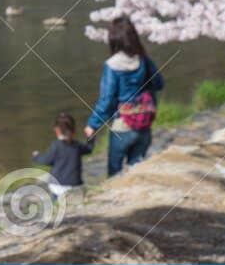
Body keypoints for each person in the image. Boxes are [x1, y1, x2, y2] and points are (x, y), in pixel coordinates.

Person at [84, 15, 165, 176]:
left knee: (114, 171)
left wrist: (92, 125)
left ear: (113, 39)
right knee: (136, 168)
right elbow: (159, 83)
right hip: (144, 124)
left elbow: (106, 101)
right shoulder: (143, 59)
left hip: (122, 126)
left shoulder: (112, 65)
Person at [32, 111, 92, 194]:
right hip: (76, 185)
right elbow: (89, 149)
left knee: (55, 196)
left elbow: (46, 160)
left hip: (58, 186)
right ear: (74, 129)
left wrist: (36, 156)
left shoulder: (55, 145)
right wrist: (91, 138)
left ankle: (56, 202)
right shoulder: (78, 146)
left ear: (56, 129)